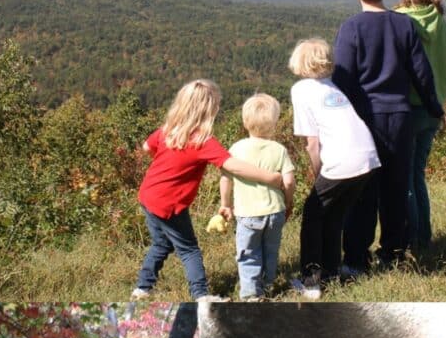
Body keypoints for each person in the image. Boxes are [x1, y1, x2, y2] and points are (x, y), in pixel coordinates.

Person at [132, 79, 289, 301]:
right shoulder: (202, 141)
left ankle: (142, 288)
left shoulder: (167, 131)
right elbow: (231, 165)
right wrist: (270, 177)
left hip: (148, 196)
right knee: (189, 250)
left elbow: (147, 147)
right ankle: (201, 295)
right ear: (209, 110)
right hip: (171, 205)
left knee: (161, 243)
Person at [332, 0, 443, 271]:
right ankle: (393, 253)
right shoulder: (404, 25)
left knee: (362, 191)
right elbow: (422, 76)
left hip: (363, 120)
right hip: (399, 118)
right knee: (395, 189)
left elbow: (341, 81)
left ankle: (355, 258)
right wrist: (436, 109)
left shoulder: (351, 28)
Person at [288, 39, 382, 298]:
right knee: (334, 217)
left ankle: (310, 282)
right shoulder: (332, 86)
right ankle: (331, 272)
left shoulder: (301, 90)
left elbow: (312, 143)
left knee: (312, 215)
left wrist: (318, 172)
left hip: (341, 161)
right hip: (367, 158)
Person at [394, 0, 446, 250]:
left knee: (403, 179)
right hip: (433, 110)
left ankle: (412, 241)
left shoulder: (400, 20)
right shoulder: (442, 24)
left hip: (408, 109)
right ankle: (423, 238)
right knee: (417, 176)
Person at [217, 93, 295, 299]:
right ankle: (267, 285)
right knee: (270, 251)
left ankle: (252, 293)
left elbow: (226, 179)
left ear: (245, 122)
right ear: (275, 122)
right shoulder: (279, 150)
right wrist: (288, 201)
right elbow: (288, 181)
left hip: (247, 214)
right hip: (275, 212)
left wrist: (225, 204)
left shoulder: (236, 148)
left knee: (249, 254)